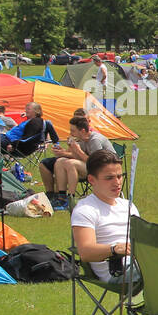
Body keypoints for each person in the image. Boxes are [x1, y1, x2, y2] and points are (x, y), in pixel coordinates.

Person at [71, 149, 139, 283]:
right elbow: (85, 252)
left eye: (119, 176)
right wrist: (114, 249)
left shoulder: (128, 205)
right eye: (109, 178)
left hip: (142, 263)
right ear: (91, 180)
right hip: (116, 272)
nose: (117, 182)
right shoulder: (85, 209)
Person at [41, 112, 114, 210]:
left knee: (70, 163)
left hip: (105, 169)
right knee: (60, 161)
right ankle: (61, 197)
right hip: (92, 166)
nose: (71, 133)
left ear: (82, 131)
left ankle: (71, 199)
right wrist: (65, 152)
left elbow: (96, 162)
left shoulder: (94, 140)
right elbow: (80, 157)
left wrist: (78, 151)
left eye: (73, 131)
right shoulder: (82, 139)